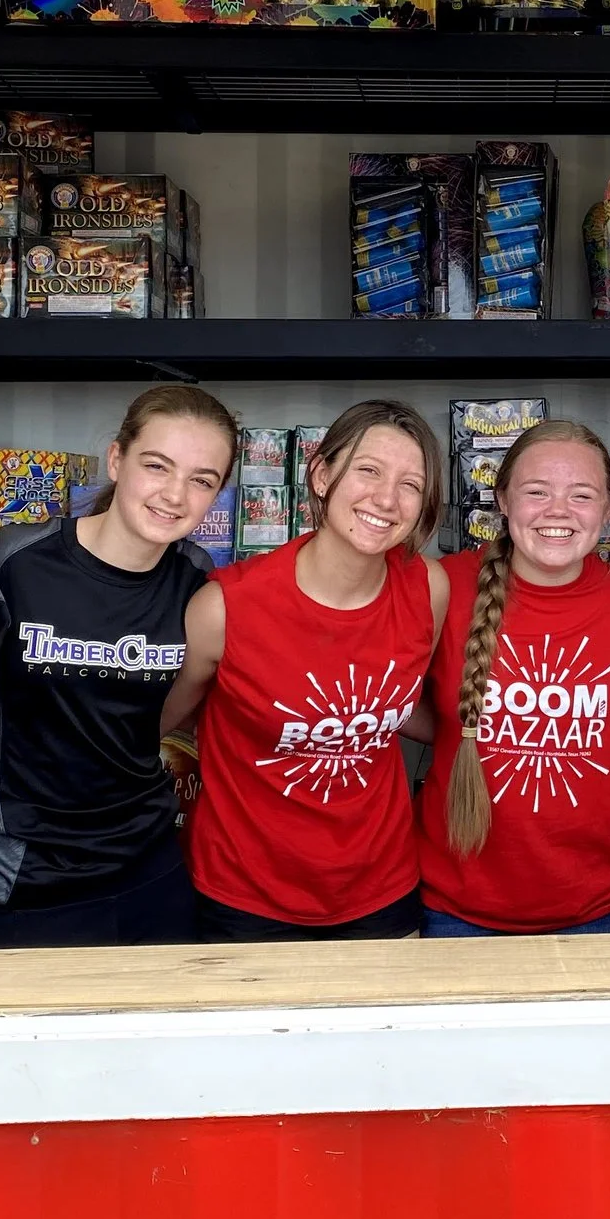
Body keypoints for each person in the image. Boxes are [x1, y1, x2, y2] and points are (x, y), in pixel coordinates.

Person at [163, 399, 448, 941]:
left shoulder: (427, 589)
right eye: (368, 470)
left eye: (411, 485)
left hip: (381, 888)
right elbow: (156, 729)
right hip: (244, 897)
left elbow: (398, 701)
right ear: (320, 475)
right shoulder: (225, 608)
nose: (386, 498)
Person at [0, 385, 236, 948]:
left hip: (148, 867)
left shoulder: (197, 577)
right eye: (157, 466)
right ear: (117, 460)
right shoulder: (11, 560)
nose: (175, 494)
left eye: (202, 480)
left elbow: (161, 717)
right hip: (24, 877)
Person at [416, 421, 610, 937]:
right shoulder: (442, 586)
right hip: (458, 907)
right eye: (536, 491)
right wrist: (460, 730)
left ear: (609, 509)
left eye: (582, 494)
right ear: (502, 499)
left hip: (596, 907)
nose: (558, 511)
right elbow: (386, 699)